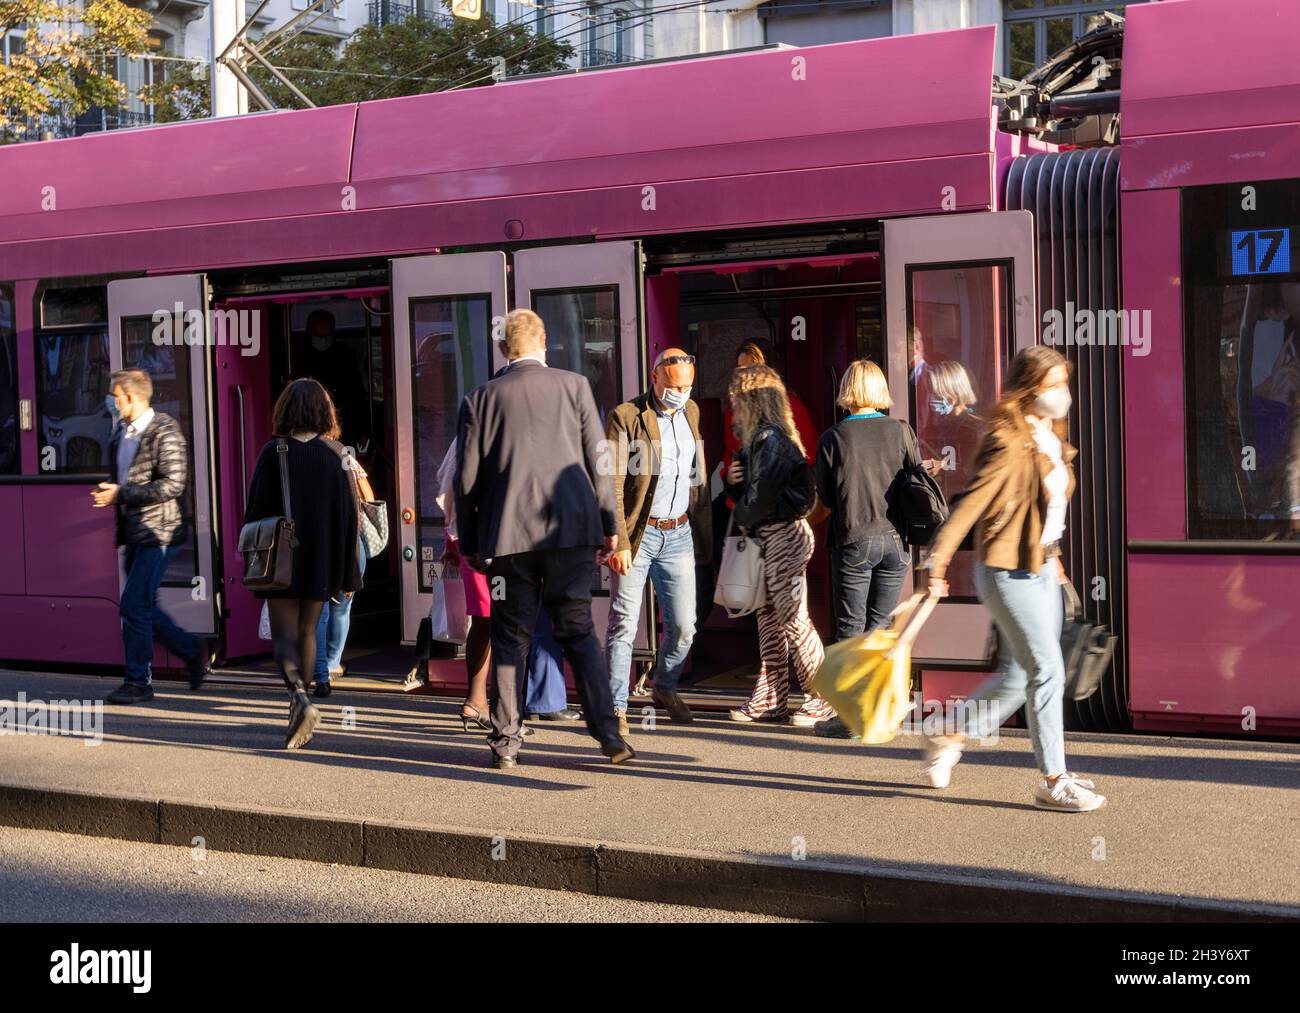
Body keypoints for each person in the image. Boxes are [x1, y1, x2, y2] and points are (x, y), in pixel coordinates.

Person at [921, 346, 1106, 812]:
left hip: (1041, 566)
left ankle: (951, 733)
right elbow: (971, 503)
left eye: (1066, 383)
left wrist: (1055, 555)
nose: (1064, 394)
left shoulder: (1050, 434)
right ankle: (1053, 780)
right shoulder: (1007, 437)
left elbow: (1046, 509)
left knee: (1020, 673)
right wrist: (937, 561)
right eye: (1055, 385)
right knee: (1048, 669)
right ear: (1030, 389)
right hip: (1006, 571)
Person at [455, 308, 634, 768]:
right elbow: (600, 459)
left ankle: (506, 744)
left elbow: (467, 480)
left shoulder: (480, 399)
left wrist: (473, 544)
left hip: (508, 541)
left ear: (503, 349)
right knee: (578, 631)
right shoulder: (575, 386)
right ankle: (608, 734)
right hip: (570, 534)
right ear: (544, 341)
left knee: (510, 636)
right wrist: (610, 524)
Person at [243, 379, 361, 749]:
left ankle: (300, 698)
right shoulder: (337, 453)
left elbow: (255, 511)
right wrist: (347, 573)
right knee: (310, 632)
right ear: (324, 412)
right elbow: (351, 519)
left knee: (283, 637)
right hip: (322, 560)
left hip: (281, 558)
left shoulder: (272, 452)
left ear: (286, 410)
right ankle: (303, 702)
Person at [604, 347, 713, 733]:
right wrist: (618, 541)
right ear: (655, 378)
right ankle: (615, 709)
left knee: (685, 625)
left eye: (686, 386)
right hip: (639, 534)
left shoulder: (693, 412)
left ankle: (663, 687)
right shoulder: (627, 416)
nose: (680, 393)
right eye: (673, 386)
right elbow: (613, 481)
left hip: (679, 532)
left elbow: (696, 474)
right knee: (624, 624)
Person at [812, 360, 922, 738]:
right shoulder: (901, 431)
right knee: (880, 630)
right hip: (896, 542)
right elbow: (916, 481)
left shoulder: (833, 438)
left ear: (847, 390)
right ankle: (878, 712)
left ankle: (849, 719)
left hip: (854, 540)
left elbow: (825, 499)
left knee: (850, 630)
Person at [92, 369, 209, 704]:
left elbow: (173, 483)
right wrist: (115, 499)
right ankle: (191, 649)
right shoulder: (120, 434)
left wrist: (121, 494)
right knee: (143, 606)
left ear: (130, 397)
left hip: (160, 532)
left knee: (133, 604)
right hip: (135, 533)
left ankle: (138, 682)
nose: (110, 402)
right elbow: (123, 483)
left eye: (114, 395)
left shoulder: (164, 430)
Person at [723, 365, 826, 724]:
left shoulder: (769, 441)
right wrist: (734, 482)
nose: (731, 402)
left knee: (793, 619)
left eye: (736, 395)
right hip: (778, 535)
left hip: (782, 535)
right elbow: (754, 497)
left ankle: (823, 696)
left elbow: (757, 501)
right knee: (770, 620)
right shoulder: (770, 438)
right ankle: (772, 699)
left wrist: (736, 491)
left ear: (751, 399)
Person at [310, 455, 375, 698]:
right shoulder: (344, 457)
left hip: (317, 542)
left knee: (319, 608)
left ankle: (316, 668)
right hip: (349, 542)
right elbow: (370, 498)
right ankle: (331, 663)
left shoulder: (299, 456)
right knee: (342, 606)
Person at [297, 309, 371, 451]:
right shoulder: (298, 356)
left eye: (328, 335)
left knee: (342, 468)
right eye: (319, 336)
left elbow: (356, 394)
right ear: (309, 331)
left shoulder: (344, 354)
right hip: (307, 425)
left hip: (343, 426)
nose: (324, 340)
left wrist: (362, 429)